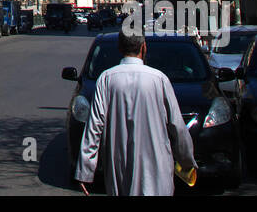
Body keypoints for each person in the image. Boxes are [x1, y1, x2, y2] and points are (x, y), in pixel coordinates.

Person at [74, 30, 196, 196]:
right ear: (144, 47)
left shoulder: (106, 79)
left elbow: (94, 128)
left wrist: (85, 171)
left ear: (119, 48)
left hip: (119, 169)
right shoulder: (158, 79)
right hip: (156, 172)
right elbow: (177, 127)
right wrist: (186, 160)